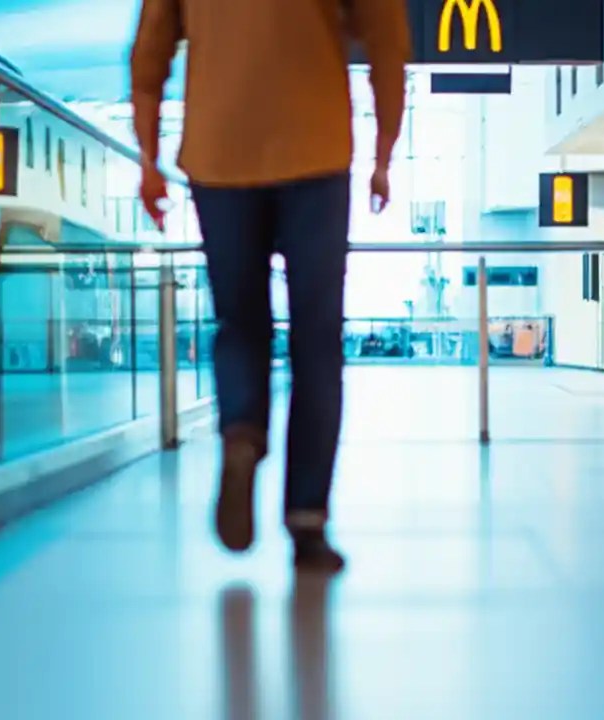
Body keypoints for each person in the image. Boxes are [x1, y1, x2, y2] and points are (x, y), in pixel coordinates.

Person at [130, 0, 410, 572]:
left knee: (239, 322)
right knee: (317, 340)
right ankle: (307, 520)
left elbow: (150, 53)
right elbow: (387, 40)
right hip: (316, 148)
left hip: (219, 150)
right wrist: (383, 154)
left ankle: (241, 433)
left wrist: (148, 161)